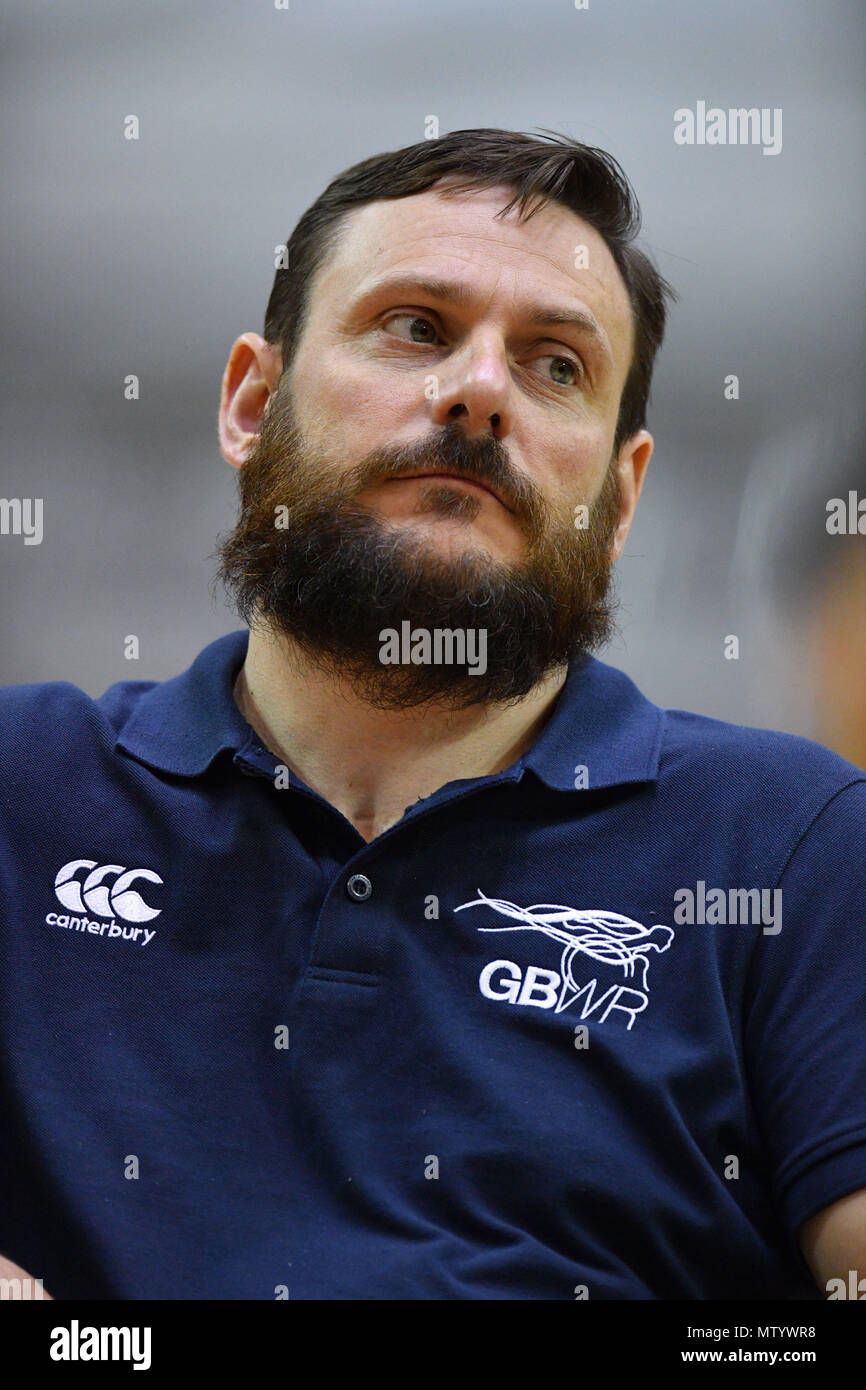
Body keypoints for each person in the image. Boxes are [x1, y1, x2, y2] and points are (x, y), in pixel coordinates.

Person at [1, 129, 863, 1301]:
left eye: (557, 365)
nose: (478, 392)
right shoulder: (24, 782)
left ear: (617, 499)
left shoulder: (793, 843)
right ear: (253, 403)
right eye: (414, 326)